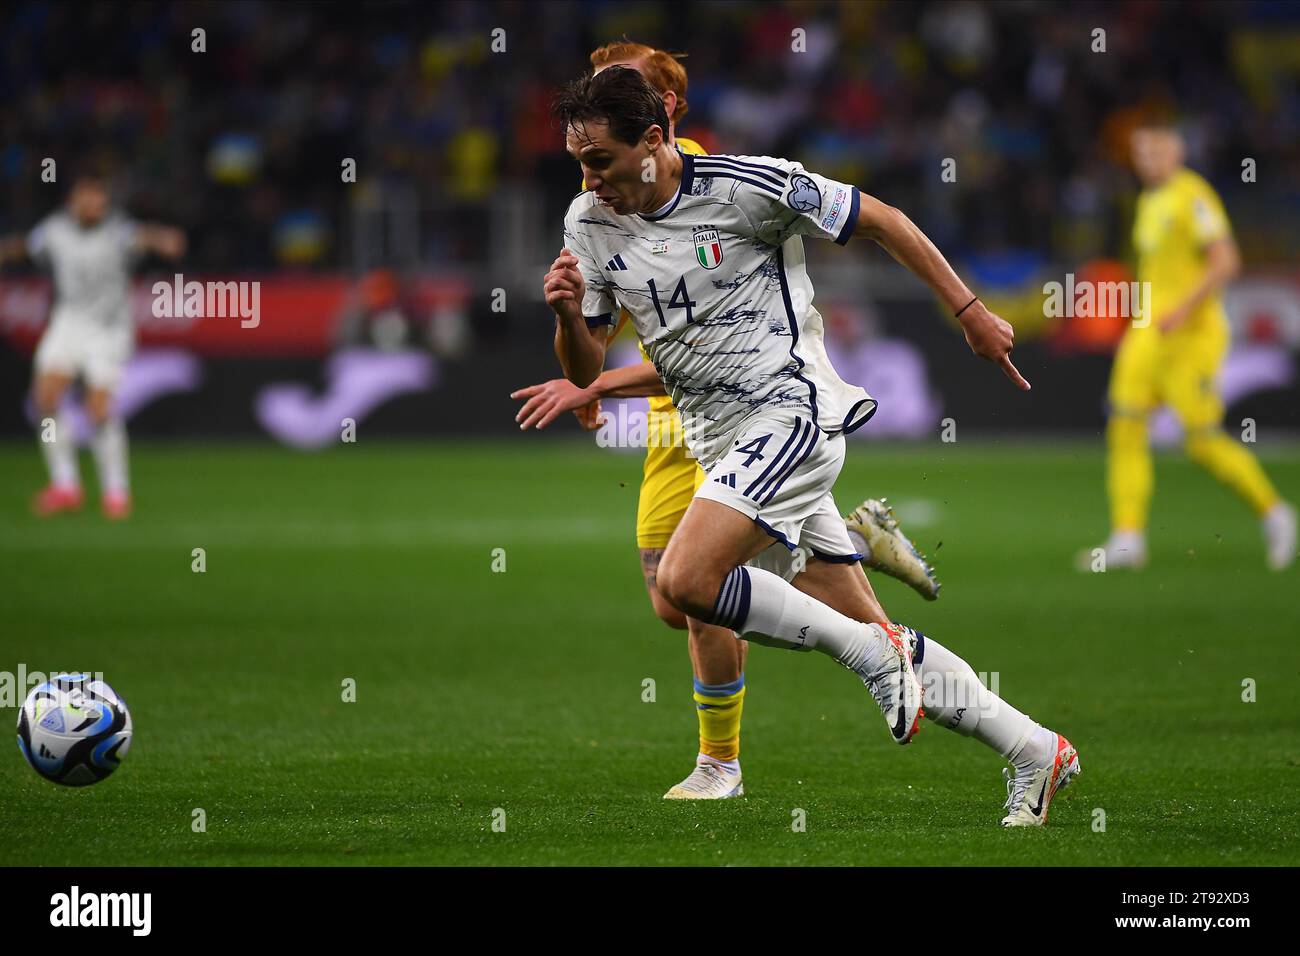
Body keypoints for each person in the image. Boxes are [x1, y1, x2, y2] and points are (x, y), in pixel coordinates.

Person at [544, 66, 1078, 826]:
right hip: (720, 445)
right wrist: (567, 318)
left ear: (655, 141)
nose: (589, 178)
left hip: (791, 417)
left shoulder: (747, 188)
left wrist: (969, 311)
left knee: (687, 583)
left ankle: (848, 677)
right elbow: (584, 367)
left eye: (599, 159)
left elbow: (885, 218)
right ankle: (1035, 749)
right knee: (852, 623)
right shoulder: (587, 224)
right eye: (578, 162)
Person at [513, 41, 938, 802]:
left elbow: (716, 321)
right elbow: (614, 340)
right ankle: (853, 553)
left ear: (662, 113)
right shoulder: (601, 198)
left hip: (745, 410)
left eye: (628, 90)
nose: (590, 163)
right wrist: (579, 339)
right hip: (681, 418)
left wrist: (601, 385)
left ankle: (722, 764)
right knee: (677, 599)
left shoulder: (702, 180)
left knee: (699, 587)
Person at [1084, 121, 1295, 571]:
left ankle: (1274, 513)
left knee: (1200, 442)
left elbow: (1227, 261)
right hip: (1148, 335)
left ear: (1176, 151)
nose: (1148, 161)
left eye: (1157, 152)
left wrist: (1182, 310)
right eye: (1141, 154)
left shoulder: (1192, 195)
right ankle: (1128, 536)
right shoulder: (1148, 200)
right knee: (1124, 426)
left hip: (1190, 337)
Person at [0, 172, 186, 519]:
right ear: (74, 200)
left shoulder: (118, 231)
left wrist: (164, 240)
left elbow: (144, 236)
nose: (96, 205)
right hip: (67, 325)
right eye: (89, 198)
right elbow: (24, 246)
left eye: (101, 199)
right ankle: (65, 485)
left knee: (98, 409)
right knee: (45, 400)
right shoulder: (54, 231)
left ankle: (116, 492)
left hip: (108, 331)